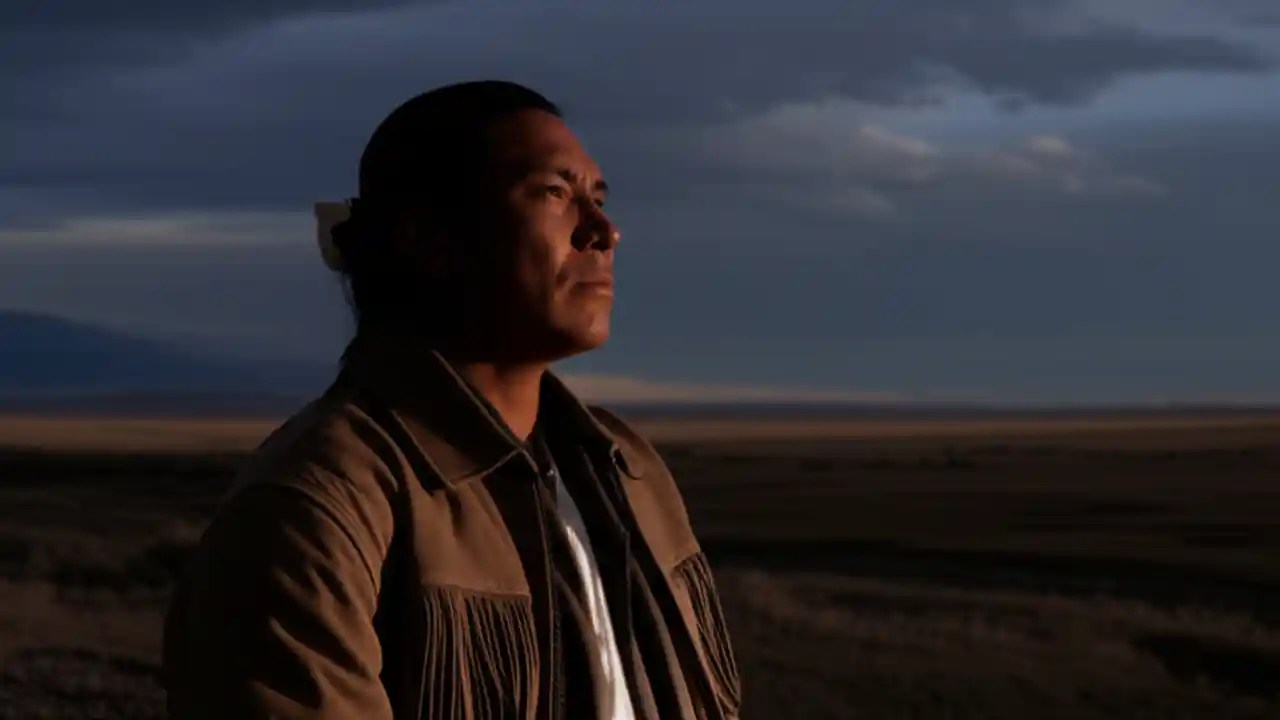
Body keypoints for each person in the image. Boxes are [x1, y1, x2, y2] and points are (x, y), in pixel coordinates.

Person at [162, 80, 741, 720]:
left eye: (597, 199)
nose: (603, 232)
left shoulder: (626, 469)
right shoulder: (321, 504)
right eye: (555, 194)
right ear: (429, 238)